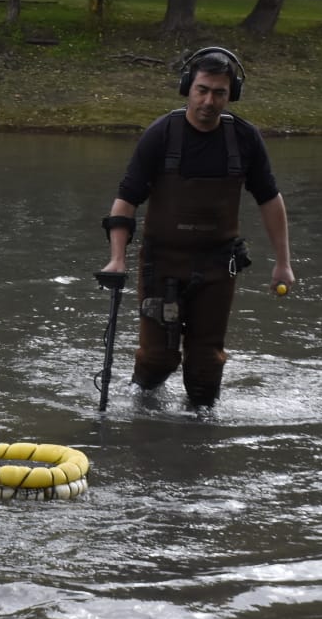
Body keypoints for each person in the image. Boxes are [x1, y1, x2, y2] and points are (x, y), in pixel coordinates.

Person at [99, 46, 295, 409]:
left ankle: (201, 436)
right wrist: (116, 260)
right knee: (158, 357)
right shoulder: (161, 134)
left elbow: (269, 199)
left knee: (205, 364)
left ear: (230, 94)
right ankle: (140, 415)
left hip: (218, 265)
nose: (209, 100)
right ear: (188, 88)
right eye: (202, 89)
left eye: (219, 92)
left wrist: (283, 262)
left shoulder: (244, 139)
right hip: (161, 264)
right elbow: (126, 201)